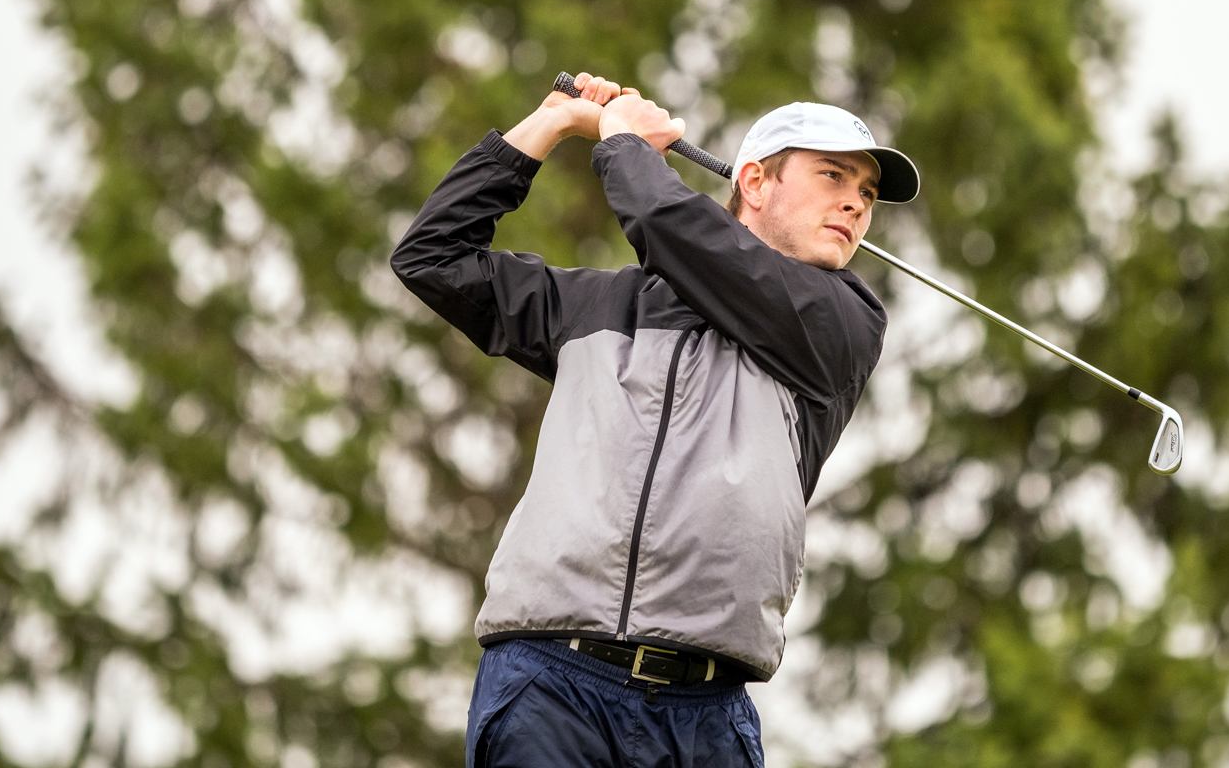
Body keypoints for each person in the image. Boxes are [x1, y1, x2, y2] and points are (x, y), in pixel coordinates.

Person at [391, 74, 919, 767]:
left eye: (868, 193)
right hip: (551, 688)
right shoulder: (595, 308)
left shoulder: (842, 324)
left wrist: (625, 146)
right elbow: (433, 257)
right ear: (755, 184)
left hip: (706, 717)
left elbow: (674, 232)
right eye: (833, 176)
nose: (855, 201)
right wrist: (546, 127)